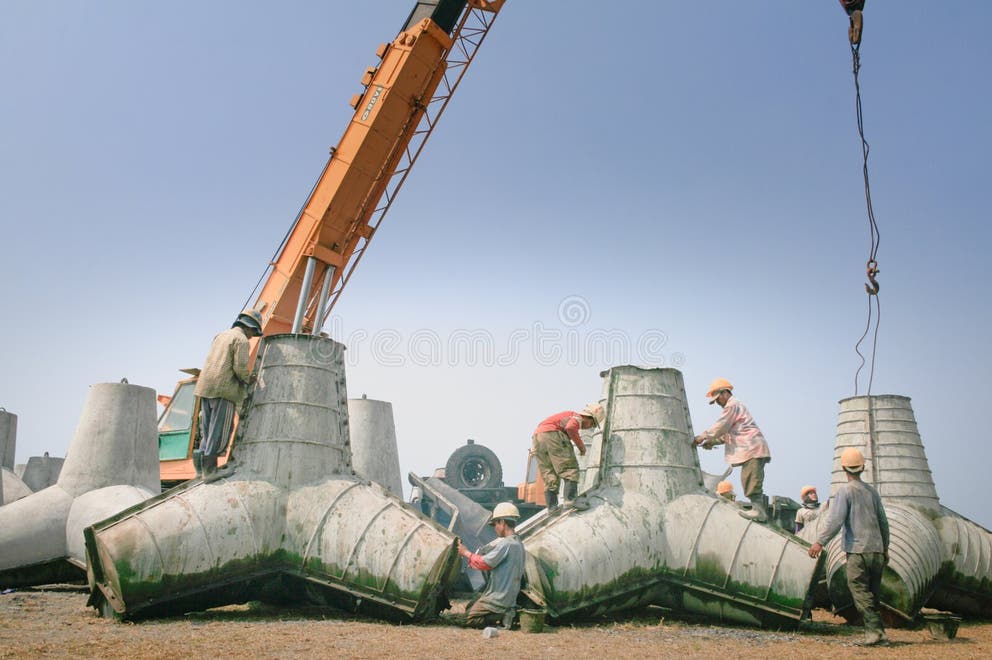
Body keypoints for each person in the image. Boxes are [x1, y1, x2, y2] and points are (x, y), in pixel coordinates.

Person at [808, 448, 890, 647]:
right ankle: (878, 633)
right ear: (862, 468)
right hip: (877, 550)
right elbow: (883, 522)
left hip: (858, 551)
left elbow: (835, 520)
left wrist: (820, 542)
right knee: (873, 593)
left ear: (844, 468)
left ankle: (875, 633)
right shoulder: (872, 492)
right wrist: (885, 549)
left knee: (859, 591)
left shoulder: (845, 491)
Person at [193, 309, 263, 477]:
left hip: (206, 387)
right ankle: (210, 471)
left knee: (208, 430)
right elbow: (240, 368)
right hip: (224, 390)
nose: (252, 336)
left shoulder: (221, 335)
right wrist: (250, 378)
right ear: (249, 328)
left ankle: (199, 470)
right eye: (253, 332)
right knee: (220, 430)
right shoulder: (241, 340)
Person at [694, 378, 772, 522]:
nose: (718, 403)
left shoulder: (732, 405)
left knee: (751, 479)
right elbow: (729, 434)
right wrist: (711, 441)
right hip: (751, 448)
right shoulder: (735, 407)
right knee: (748, 478)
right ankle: (758, 510)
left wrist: (703, 436)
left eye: (718, 399)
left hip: (752, 448)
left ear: (724, 393)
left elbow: (722, 425)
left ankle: (759, 512)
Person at [455, 502, 526, 628]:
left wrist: (465, 552)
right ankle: (504, 614)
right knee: (471, 605)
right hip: (508, 598)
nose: (495, 528)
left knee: (465, 620)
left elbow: (484, 563)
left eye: (496, 524)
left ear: (503, 522)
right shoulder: (518, 543)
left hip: (498, 599)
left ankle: (501, 617)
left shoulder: (507, 544)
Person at [532, 403, 605, 511]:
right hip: (552, 434)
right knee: (569, 468)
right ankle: (570, 500)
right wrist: (581, 447)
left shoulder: (566, 417)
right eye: (593, 424)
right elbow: (570, 428)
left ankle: (552, 507)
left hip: (537, 437)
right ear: (589, 417)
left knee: (549, 473)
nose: (590, 427)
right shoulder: (576, 417)